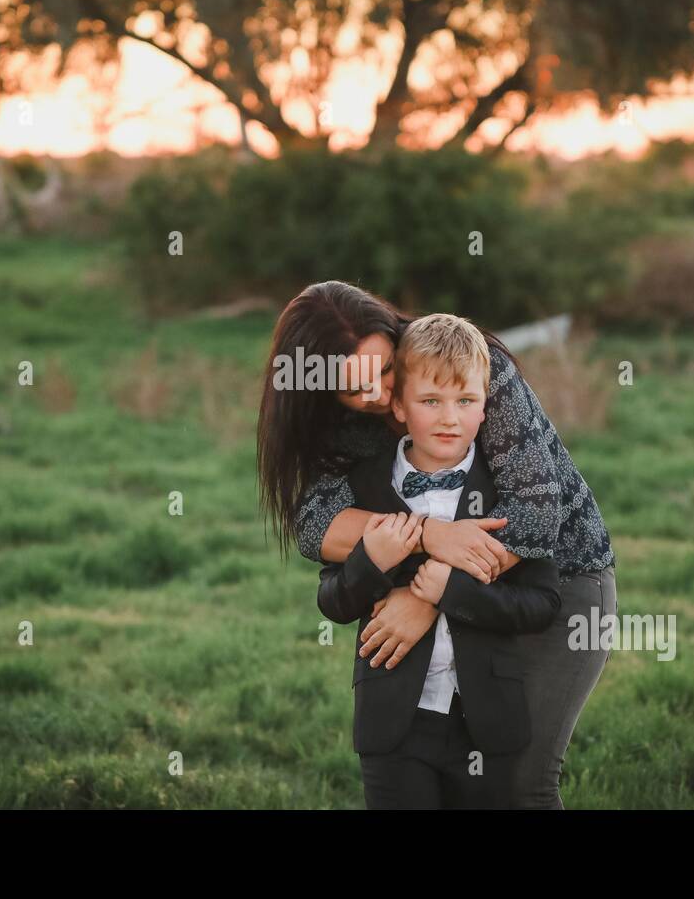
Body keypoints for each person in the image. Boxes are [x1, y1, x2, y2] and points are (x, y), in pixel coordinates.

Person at [257, 281, 618, 808]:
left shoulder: (462, 359)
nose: (378, 394)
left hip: (559, 577)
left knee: (521, 783)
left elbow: (539, 512)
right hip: (454, 586)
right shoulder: (325, 418)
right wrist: (429, 534)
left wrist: (433, 594)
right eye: (355, 386)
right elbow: (318, 527)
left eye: (385, 372)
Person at [317, 313, 564, 808]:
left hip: (487, 725)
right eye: (431, 401)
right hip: (393, 726)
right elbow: (333, 600)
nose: (450, 418)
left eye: (466, 401)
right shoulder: (367, 487)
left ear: (485, 408)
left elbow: (542, 602)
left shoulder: (505, 493)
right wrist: (373, 559)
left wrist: (450, 592)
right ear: (399, 407)